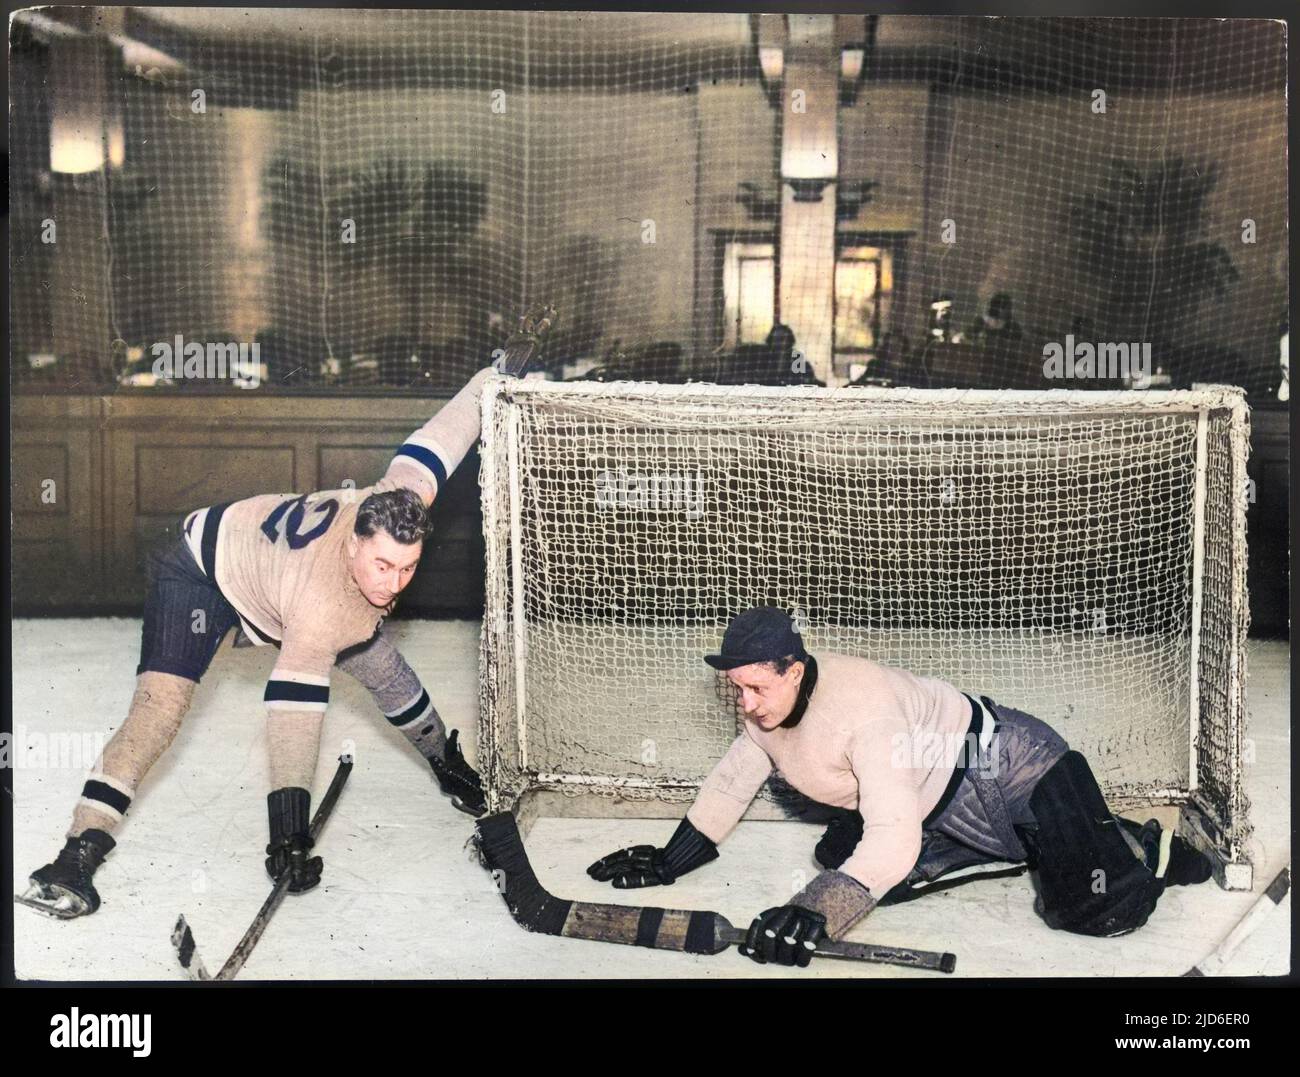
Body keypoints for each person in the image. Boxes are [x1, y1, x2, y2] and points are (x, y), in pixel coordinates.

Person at [19, 367, 498, 919]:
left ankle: (447, 763)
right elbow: (293, 716)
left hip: (272, 579)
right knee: (160, 711)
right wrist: (287, 839)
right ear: (353, 545)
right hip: (199, 569)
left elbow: (442, 437)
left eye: (407, 568)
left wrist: (490, 377)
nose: (392, 584)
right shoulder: (323, 610)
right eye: (382, 565)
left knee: (381, 663)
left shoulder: (399, 501)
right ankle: (76, 854)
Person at [588, 607, 1212, 968]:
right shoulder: (767, 710)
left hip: (1019, 773)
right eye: (738, 690)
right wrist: (674, 857)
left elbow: (890, 838)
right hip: (939, 806)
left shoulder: (866, 712)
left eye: (758, 689)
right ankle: (1015, 852)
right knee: (839, 857)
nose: (747, 705)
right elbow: (733, 780)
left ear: (796, 670)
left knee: (1094, 913)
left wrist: (812, 911)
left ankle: (1134, 847)